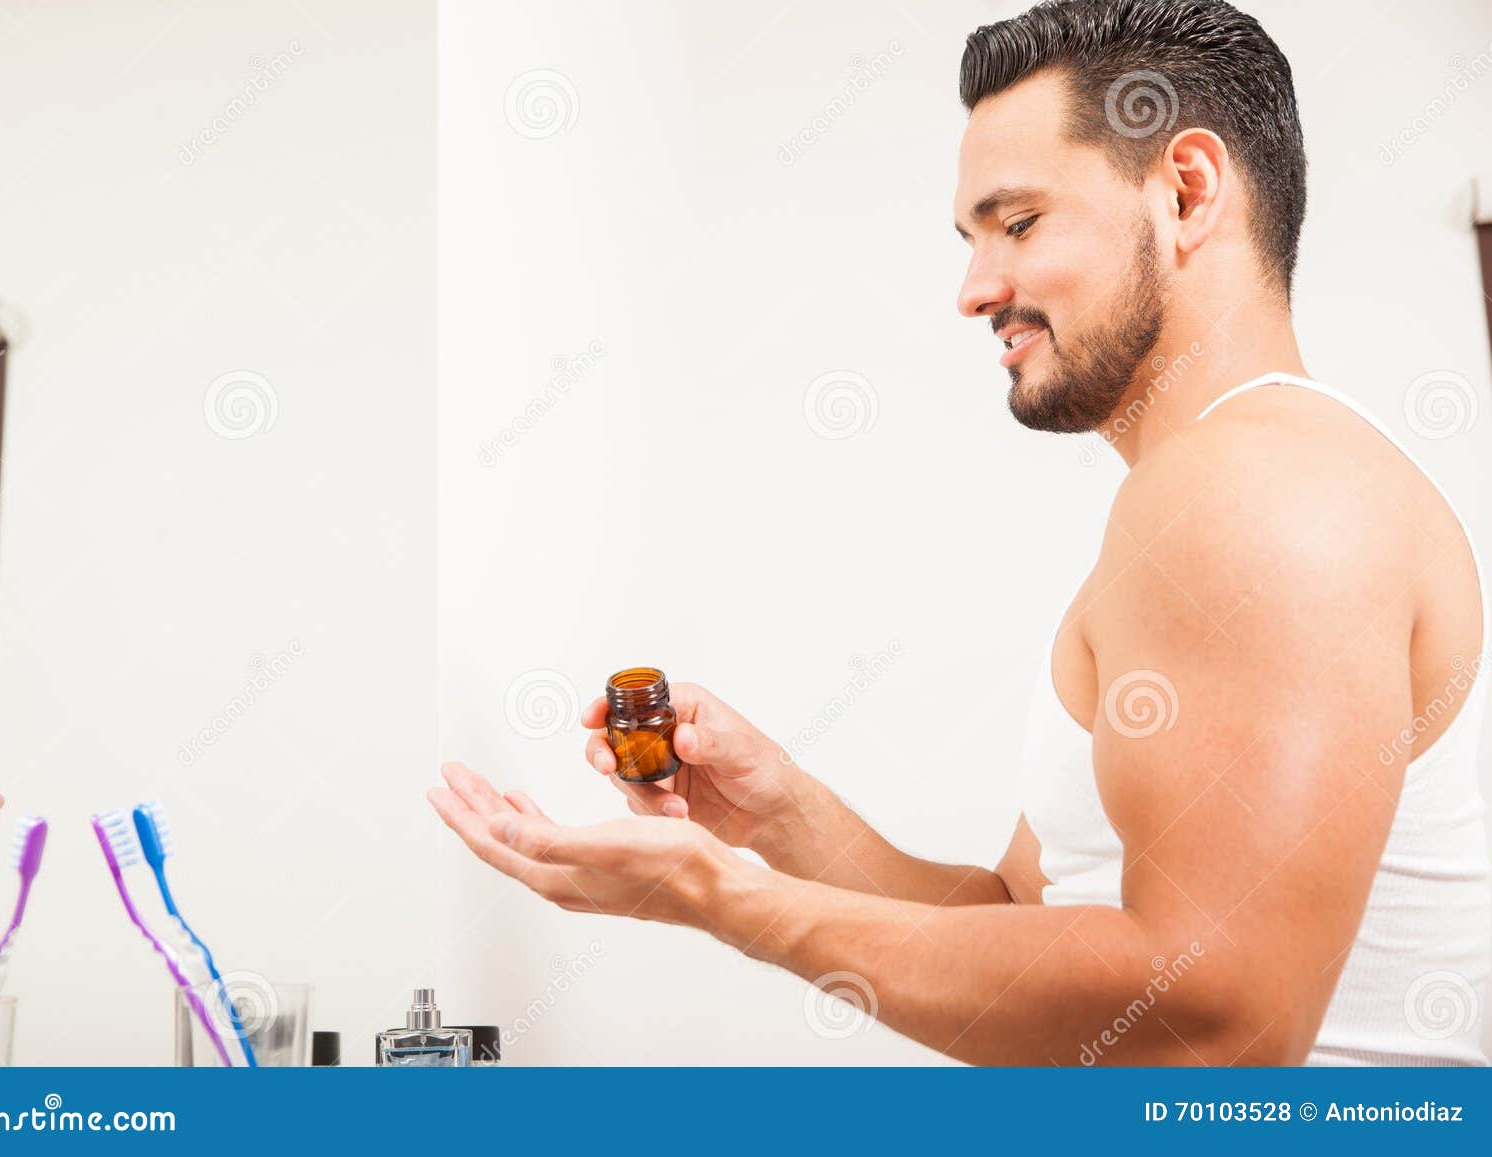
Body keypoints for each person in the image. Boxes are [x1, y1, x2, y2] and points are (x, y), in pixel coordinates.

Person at [429, 0, 1491, 1065]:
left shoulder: (1254, 484)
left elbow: (1218, 1014)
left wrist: (723, 900)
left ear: (1186, 190)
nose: (976, 290)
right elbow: (1027, 924)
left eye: (1018, 222)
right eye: (971, 237)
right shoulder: (1217, 484)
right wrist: (778, 819)